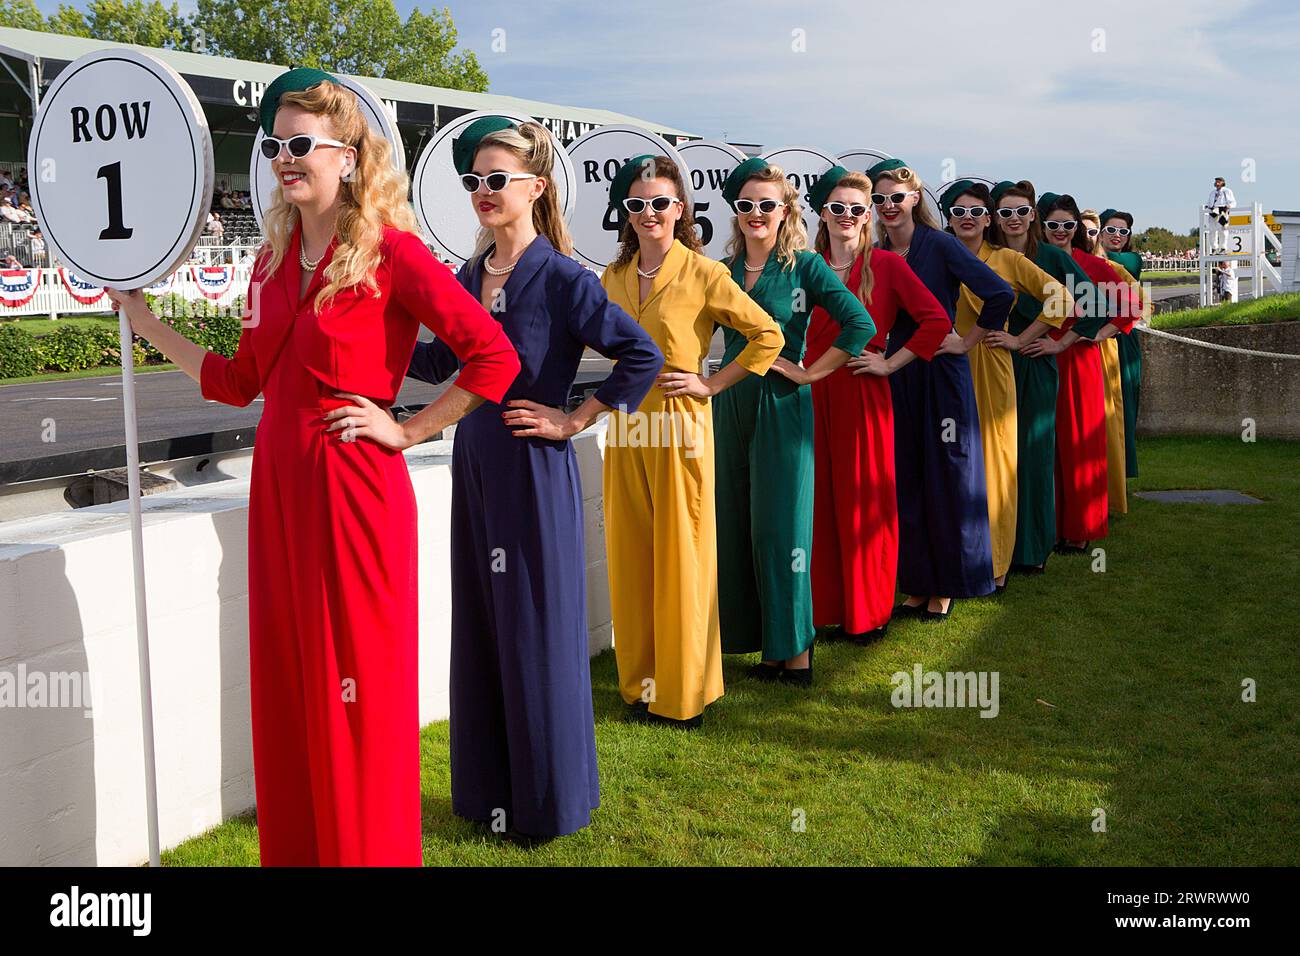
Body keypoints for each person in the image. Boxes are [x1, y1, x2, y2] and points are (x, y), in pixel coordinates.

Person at [107, 69, 521, 865]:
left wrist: (410, 430)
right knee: (293, 690)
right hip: (280, 498)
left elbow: (491, 357)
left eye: (300, 144)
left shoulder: (393, 253)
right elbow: (237, 383)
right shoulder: (267, 265)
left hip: (357, 497)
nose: (284, 158)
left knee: (359, 695)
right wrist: (145, 319)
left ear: (349, 155)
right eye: (273, 145)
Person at [405, 117, 662, 837]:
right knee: (485, 626)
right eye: (473, 182)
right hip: (476, 461)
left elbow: (640, 356)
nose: (483, 193)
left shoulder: (562, 277)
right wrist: (379, 326)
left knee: (535, 632)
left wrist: (574, 419)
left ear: (536, 188)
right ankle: (491, 793)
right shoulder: (466, 273)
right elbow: (441, 365)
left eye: (498, 180)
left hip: (534, 469)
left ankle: (547, 803)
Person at [600, 155, 781, 728]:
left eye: (659, 203)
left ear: (680, 210)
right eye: (637, 205)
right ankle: (640, 685)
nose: (648, 213)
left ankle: (682, 696)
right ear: (625, 215)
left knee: (682, 556)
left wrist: (711, 382)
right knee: (631, 554)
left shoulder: (705, 274)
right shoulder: (611, 279)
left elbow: (766, 334)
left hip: (680, 423)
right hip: (628, 423)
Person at [716, 157, 875, 686]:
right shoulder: (725, 269)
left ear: (785, 211)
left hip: (783, 404)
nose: (756, 213)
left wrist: (810, 374)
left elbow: (859, 323)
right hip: (729, 401)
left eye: (767, 204)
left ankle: (797, 652)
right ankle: (763, 645)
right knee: (737, 523)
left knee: (782, 529)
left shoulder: (805, 266)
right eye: (746, 205)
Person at [804, 167, 949, 642]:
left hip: (863, 391)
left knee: (865, 501)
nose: (846, 216)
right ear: (822, 214)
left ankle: (868, 615)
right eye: (837, 208)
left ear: (868, 216)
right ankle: (827, 608)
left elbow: (934, 320)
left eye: (856, 209)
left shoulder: (886, 265)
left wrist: (891, 363)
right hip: (812, 390)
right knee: (819, 500)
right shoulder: (803, 265)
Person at [867, 159, 1012, 620]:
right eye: (880, 199)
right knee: (906, 474)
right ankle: (917, 584)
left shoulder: (942, 245)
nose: (889, 206)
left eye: (897, 197)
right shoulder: (877, 253)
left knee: (948, 476)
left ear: (915, 199)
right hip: (898, 371)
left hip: (942, 373)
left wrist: (967, 340)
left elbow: (999, 294)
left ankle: (948, 585)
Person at [943, 180, 1074, 591]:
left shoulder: (1006, 259)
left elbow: (1063, 300)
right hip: (944, 365)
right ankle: (953, 561)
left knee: (996, 464)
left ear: (988, 218)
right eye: (959, 211)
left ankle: (996, 565)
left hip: (993, 364)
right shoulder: (935, 255)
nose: (968, 219)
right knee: (953, 465)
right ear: (948, 216)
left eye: (976, 212)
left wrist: (1019, 339)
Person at [988, 180, 1095, 573]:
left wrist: (1057, 343)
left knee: (1033, 454)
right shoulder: (986, 256)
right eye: (1005, 213)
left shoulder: (1050, 256)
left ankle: (1031, 550)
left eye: (1021, 211)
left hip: (1034, 363)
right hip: (991, 364)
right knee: (998, 455)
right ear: (995, 217)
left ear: (1032, 215)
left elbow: (1092, 304)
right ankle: (997, 545)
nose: (1014, 219)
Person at [1099, 208, 1145, 479]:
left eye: (1123, 232)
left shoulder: (1130, 259)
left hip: (1122, 338)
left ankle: (1120, 472)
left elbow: (1113, 262)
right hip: (1090, 337)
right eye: (1110, 230)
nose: (1117, 236)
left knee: (1123, 406)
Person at [1205, 176, 1236, 251]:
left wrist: (1229, 206)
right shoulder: (1212, 193)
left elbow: (1233, 202)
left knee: (1222, 229)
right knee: (1212, 230)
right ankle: (1214, 247)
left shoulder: (1227, 191)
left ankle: (1223, 247)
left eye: (1219, 181)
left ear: (1223, 182)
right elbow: (1209, 203)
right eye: (1216, 181)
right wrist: (1207, 207)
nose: (1217, 183)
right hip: (1213, 212)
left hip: (1222, 210)